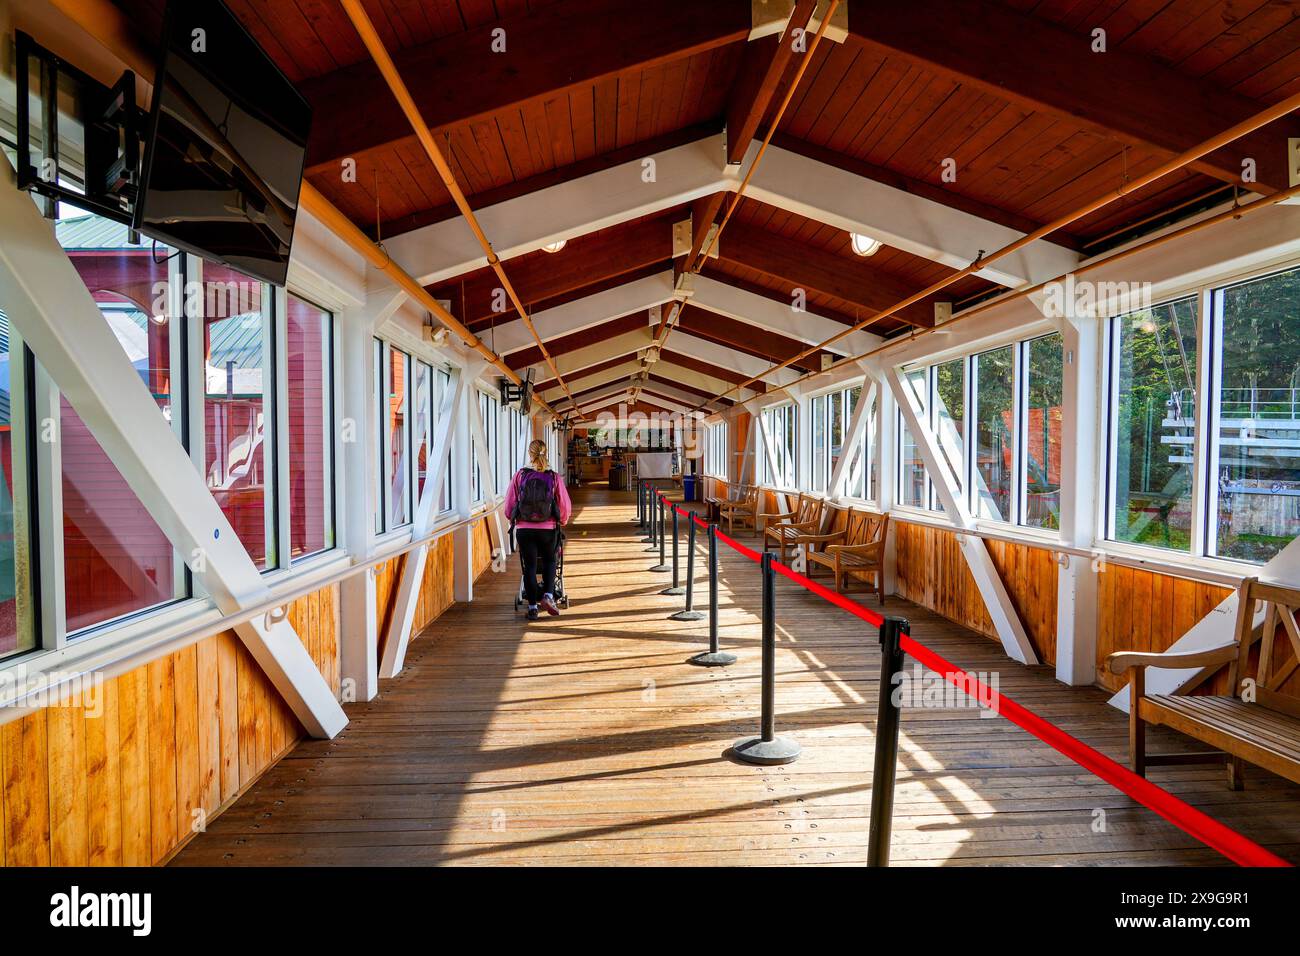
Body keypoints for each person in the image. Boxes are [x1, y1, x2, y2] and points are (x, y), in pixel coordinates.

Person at [504, 439, 572, 620]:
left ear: (530, 454)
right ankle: (549, 596)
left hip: (525, 530)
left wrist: (514, 518)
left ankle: (533, 607)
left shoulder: (520, 475)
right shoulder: (553, 477)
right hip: (548, 529)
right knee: (550, 561)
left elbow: (509, 504)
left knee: (530, 567)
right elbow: (564, 505)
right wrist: (562, 520)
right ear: (546, 453)